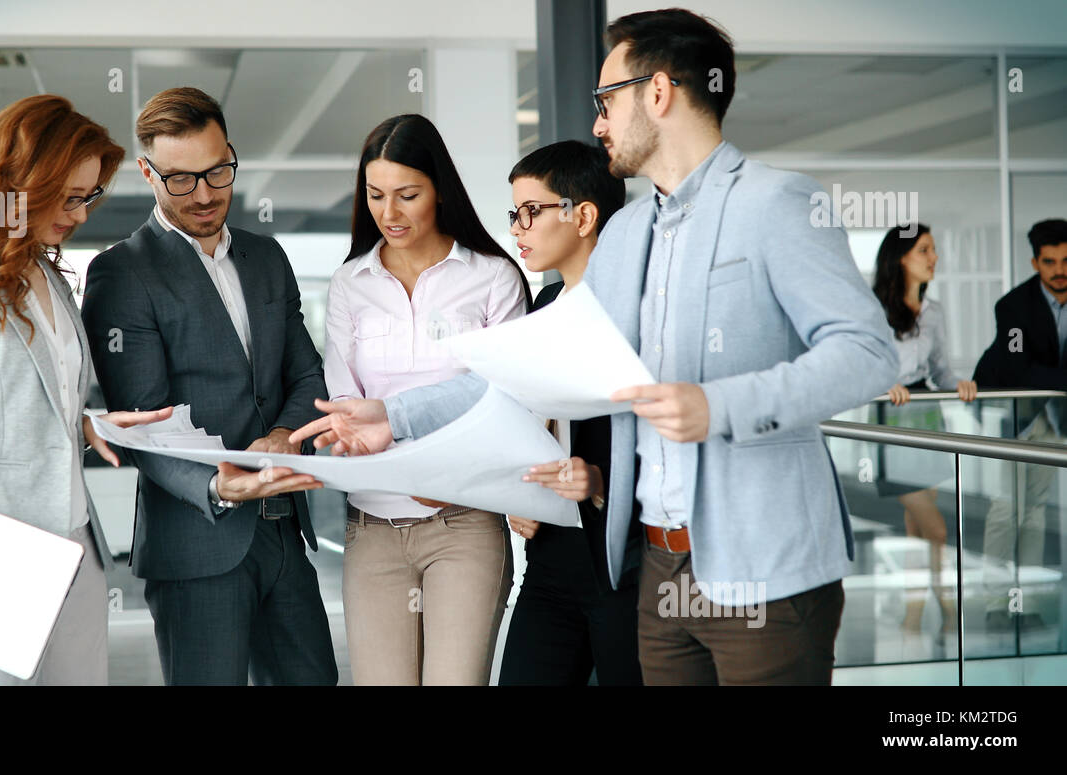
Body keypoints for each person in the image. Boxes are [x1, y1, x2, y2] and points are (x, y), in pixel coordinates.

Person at [290, 8, 899, 686]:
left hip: (767, 561)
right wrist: (394, 416)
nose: (599, 123)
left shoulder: (777, 202)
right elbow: (531, 372)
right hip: (653, 569)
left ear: (659, 93)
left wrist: (719, 404)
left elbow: (867, 352)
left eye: (608, 101)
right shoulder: (629, 233)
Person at [0, 94, 170, 685]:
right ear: (20, 182)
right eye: (67, 196)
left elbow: (35, 399)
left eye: (88, 197)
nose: (78, 214)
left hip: (75, 551)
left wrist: (87, 423)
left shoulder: (49, 275)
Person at [80, 87, 337, 686]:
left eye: (218, 171)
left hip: (282, 534)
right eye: (181, 179)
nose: (204, 194)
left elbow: (306, 374)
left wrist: (282, 435)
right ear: (147, 173)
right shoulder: (123, 272)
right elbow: (141, 422)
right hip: (196, 541)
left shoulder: (267, 256)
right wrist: (217, 487)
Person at [322, 114, 529, 685]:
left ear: (440, 189)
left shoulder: (492, 278)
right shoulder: (350, 285)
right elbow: (344, 399)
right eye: (376, 196)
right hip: (373, 527)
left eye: (408, 195)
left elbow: (505, 395)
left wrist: (407, 439)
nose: (390, 213)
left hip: (464, 525)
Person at [494, 140, 641, 686]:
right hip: (552, 558)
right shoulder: (546, 304)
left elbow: (672, 436)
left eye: (531, 211)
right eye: (515, 214)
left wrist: (601, 481)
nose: (518, 228)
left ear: (582, 216)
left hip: (626, 565)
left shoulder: (638, 311)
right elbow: (538, 417)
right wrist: (523, 495)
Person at [870, 223, 977, 633]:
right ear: (901, 258)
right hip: (891, 421)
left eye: (933, 250)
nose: (934, 258)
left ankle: (914, 615)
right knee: (936, 527)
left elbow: (941, 371)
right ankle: (947, 608)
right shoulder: (874, 309)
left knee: (917, 531)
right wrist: (884, 384)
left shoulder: (934, 312)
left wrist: (960, 385)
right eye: (925, 250)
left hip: (928, 418)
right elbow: (859, 365)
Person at [973, 218, 1067, 630]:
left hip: (1055, 421)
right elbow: (1018, 368)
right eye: (1050, 262)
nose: (1060, 270)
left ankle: (1023, 604)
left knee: (1035, 514)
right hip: (1015, 414)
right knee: (1006, 511)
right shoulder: (1013, 308)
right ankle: (996, 604)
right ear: (1035, 262)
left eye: (1066, 260)